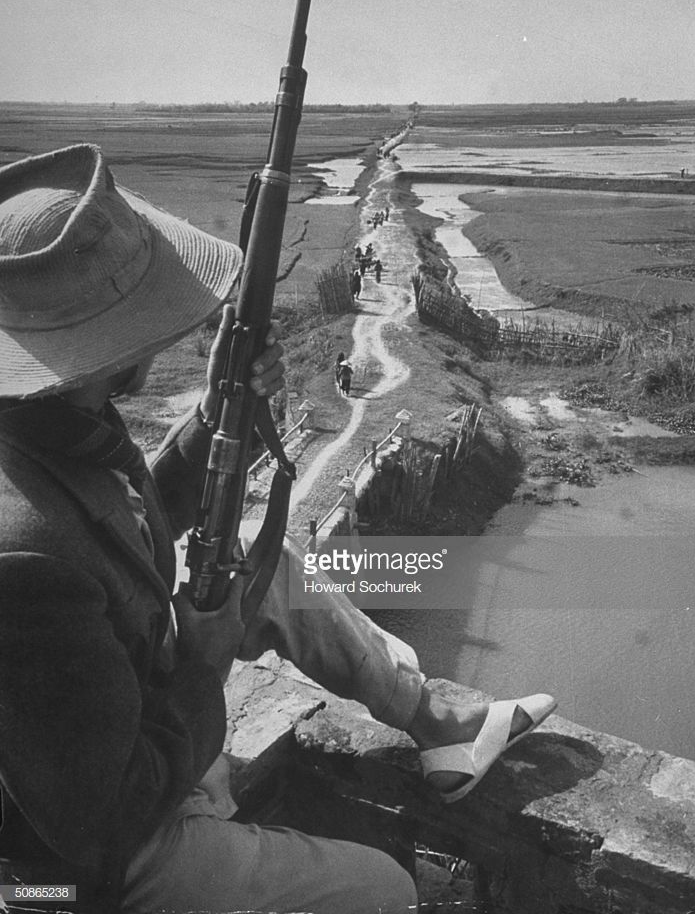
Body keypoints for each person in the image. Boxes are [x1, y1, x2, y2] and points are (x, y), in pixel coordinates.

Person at [0, 144, 556, 914]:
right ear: (103, 348)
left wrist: (214, 414)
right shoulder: (23, 556)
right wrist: (202, 660)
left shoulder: (54, 421)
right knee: (387, 890)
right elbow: (104, 820)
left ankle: (438, 722)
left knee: (268, 570)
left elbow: (129, 518)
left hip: (115, 719)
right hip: (78, 866)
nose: (165, 333)